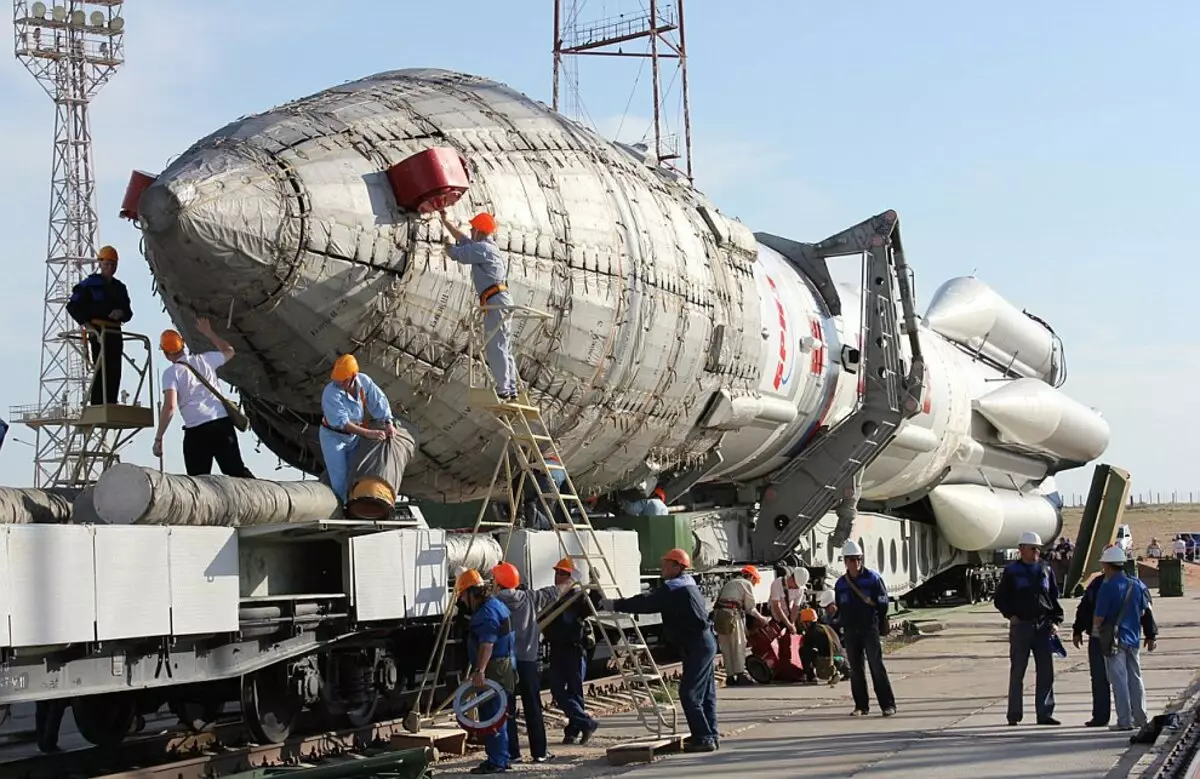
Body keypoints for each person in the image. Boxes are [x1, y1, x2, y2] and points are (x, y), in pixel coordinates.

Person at [599, 548, 718, 752]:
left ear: (677, 566)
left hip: (696, 645)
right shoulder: (687, 585)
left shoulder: (674, 588)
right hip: (703, 643)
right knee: (705, 694)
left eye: (666, 563)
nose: (662, 567)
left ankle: (704, 738)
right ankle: (710, 735)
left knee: (689, 694)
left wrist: (614, 604)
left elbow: (646, 603)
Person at [491, 561, 573, 765]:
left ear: (498, 583)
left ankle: (512, 753)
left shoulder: (493, 603)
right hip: (528, 660)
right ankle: (540, 752)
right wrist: (572, 580)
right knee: (533, 706)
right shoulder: (530, 598)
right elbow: (555, 592)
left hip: (505, 662)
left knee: (507, 708)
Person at [152, 318, 254, 477]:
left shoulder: (171, 374)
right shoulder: (205, 359)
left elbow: (170, 407)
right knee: (236, 471)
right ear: (183, 344)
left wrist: (159, 437)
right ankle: (262, 499)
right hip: (221, 423)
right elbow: (229, 351)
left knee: (198, 482)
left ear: (165, 353)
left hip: (196, 431)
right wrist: (209, 333)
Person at [440, 210, 517, 400]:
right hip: (499, 300)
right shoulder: (485, 247)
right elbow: (464, 239)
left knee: (495, 345)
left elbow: (459, 253)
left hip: (495, 302)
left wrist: (447, 245)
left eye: (473, 228)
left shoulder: (482, 249)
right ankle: (511, 387)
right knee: (503, 345)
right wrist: (446, 221)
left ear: (480, 232)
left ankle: (503, 389)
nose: (471, 230)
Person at [993, 530, 1064, 726]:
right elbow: (1000, 599)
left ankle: (1045, 713)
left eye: (1038, 549)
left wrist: (1055, 621)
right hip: (1021, 627)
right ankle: (1014, 714)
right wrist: (1011, 616)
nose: (1036, 552)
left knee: (1046, 671)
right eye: (1033, 549)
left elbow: (1053, 598)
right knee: (1018, 671)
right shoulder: (1012, 572)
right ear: (1021, 549)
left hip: (1043, 627)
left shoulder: (1046, 570)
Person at [456, 568, 516, 775]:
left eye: (463, 595)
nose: (462, 600)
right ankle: (500, 758)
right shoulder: (496, 605)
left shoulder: (486, 613)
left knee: (492, 716)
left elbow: (487, 644)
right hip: (505, 664)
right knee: (499, 715)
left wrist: (480, 670)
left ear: (472, 593)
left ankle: (497, 761)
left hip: (494, 669)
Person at [1092, 546, 1158, 732]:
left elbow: (1098, 618)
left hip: (1114, 640)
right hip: (1133, 638)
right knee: (1136, 678)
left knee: (1119, 680)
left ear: (1107, 565)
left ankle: (1124, 721)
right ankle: (1141, 717)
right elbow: (1145, 610)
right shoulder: (1136, 584)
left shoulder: (1107, 586)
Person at [319, 354, 398, 505]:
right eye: (337, 381)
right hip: (333, 437)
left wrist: (388, 422)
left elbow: (378, 401)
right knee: (339, 478)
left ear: (354, 376)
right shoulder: (330, 393)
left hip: (353, 437)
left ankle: (353, 505)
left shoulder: (364, 382)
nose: (339, 384)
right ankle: (341, 510)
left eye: (343, 381)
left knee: (354, 473)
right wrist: (369, 433)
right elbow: (343, 423)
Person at [542, 558, 600, 745]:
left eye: (562, 573)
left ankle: (573, 731)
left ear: (570, 577)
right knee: (558, 691)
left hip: (573, 650)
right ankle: (586, 723)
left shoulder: (577, 597)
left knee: (575, 693)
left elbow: (593, 605)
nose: (557, 576)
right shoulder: (553, 596)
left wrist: (596, 585)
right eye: (557, 572)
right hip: (556, 649)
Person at [66, 245, 133, 406]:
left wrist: (121, 313)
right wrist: (86, 324)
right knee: (100, 367)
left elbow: (129, 312)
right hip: (98, 331)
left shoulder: (119, 288)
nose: (109, 267)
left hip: (114, 331)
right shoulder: (89, 285)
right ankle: (98, 402)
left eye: (112, 264)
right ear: (100, 264)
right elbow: (73, 307)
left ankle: (111, 401)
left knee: (115, 368)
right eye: (106, 264)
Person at [836, 540, 896, 717]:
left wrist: (876, 622)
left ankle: (888, 705)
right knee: (856, 669)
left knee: (876, 666)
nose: (855, 562)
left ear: (861, 559)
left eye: (857, 559)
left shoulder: (873, 579)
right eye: (851, 559)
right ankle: (861, 706)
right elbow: (840, 605)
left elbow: (883, 603)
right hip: (850, 629)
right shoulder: (841, 584)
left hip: (869, 628)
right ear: (845, 561)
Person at [713, 565, 769, 686]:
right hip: (732, 616)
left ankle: (730, 677)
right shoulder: (745, 584)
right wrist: (763, 619)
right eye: (755, 580)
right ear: (751, 577)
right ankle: (740, 675)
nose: (754, 583)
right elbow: (750, 608)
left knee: (726, 646)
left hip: (720, 616)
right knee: (738, 644)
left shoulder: (730, 583)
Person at [799, 607, 848, 685]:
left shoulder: (812, 631)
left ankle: (810, 676)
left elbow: (807, 649)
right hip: (843, 660)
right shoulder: (827, 627)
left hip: (831, 662)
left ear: (807, 623)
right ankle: (839, 672)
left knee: (803, 651)